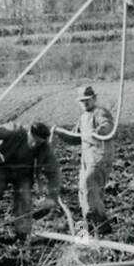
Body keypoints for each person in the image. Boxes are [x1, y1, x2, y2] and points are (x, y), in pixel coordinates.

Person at [0, 121, 63, 242]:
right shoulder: (14, 130)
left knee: (25, 200)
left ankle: (22, 234)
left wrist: (52, 197)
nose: (35, 145)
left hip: (23, 173)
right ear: (28, 132)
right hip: (0, 169)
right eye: (33, 140)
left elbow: (53, 172)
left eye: (38, 143)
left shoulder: (44, 147)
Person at [54, 85, 116, 237]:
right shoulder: (83, 117)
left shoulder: (100, 112)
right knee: (84, 193)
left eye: (87, 100)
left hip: (100, 157)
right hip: (87, 160)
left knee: (88, 186)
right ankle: (94, 228)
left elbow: (108, 126)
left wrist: (97, 131)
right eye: (82, 101)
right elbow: (75, 137)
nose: (85, 103)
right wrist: (59, 132)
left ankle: (98, 226)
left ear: (94, 99)